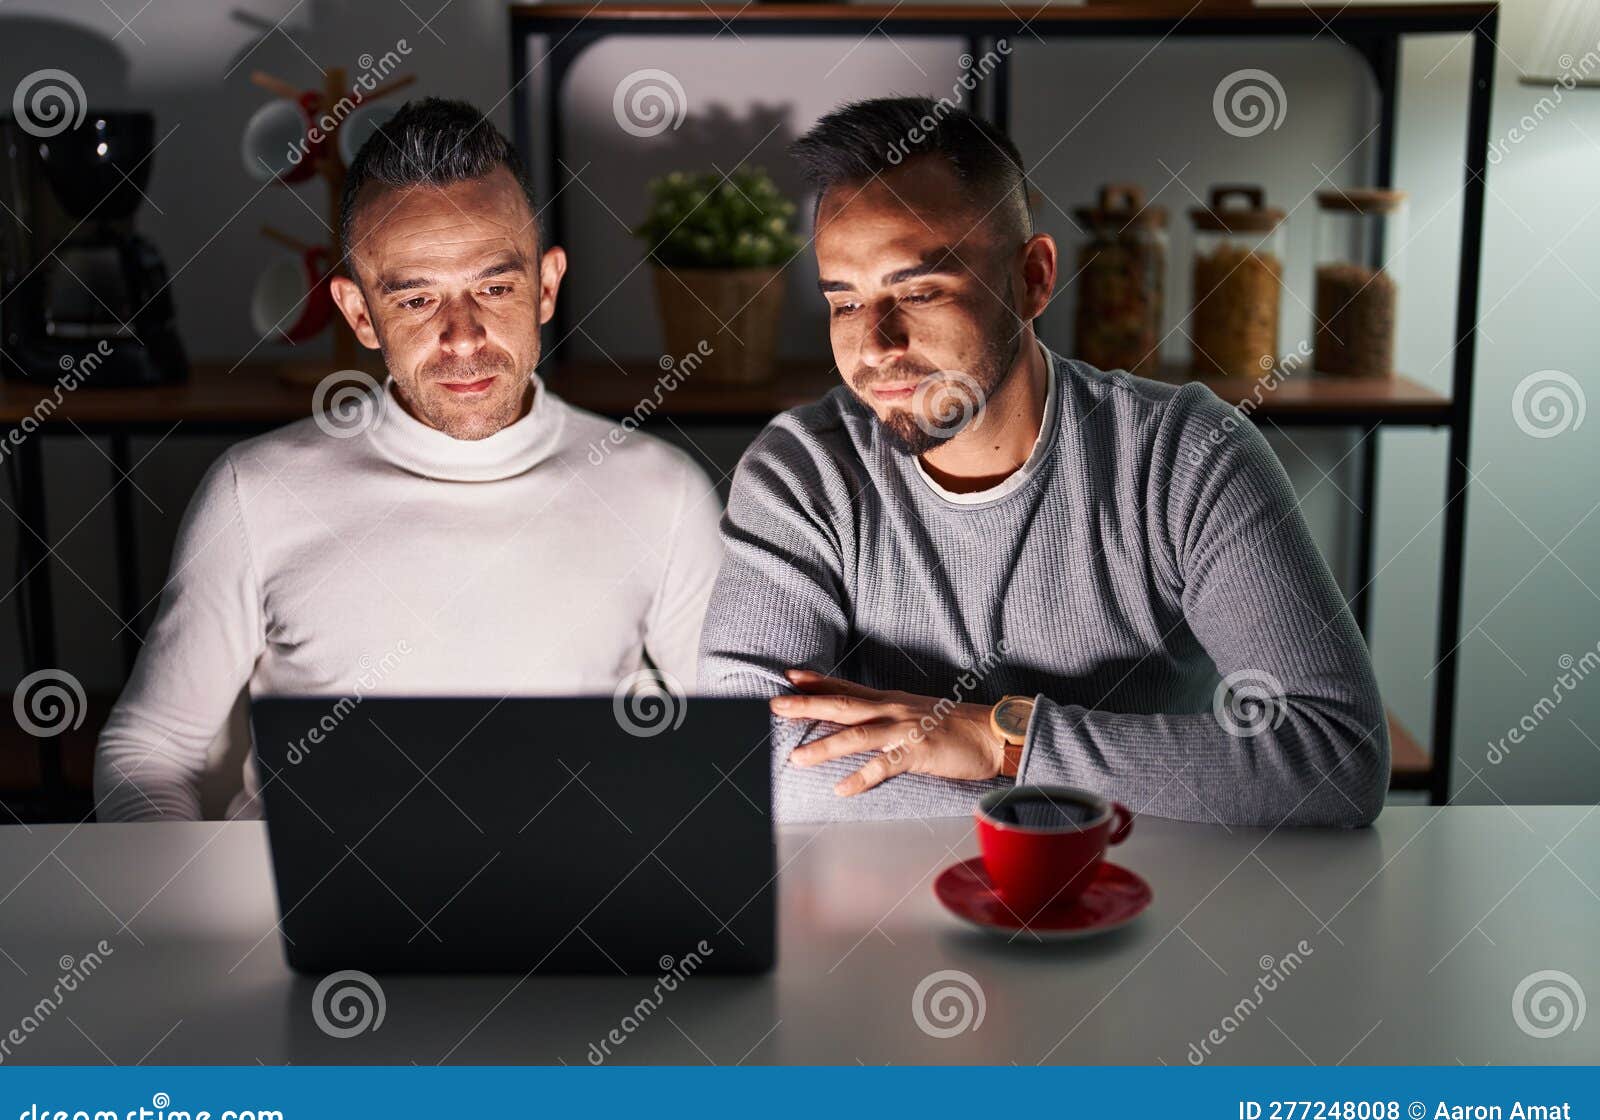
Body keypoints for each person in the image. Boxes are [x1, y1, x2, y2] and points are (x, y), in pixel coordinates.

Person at [698, 97, 1388, 827]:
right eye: (844, 303)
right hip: (891, 922)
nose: (875, 345)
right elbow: (746, 759)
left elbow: (1336, 760)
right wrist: (1117, 786)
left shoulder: (1188, 456)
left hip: (1151, 913)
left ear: (1032, 278)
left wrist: (1002, 739)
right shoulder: (802, 473)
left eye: (920, 291)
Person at [94, 98, 722, 821]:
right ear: (360, 314)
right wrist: (219, 921)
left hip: (567, 914)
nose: (463, 337)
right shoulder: (256, 491)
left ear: (546, 287)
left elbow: (737, 746)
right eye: (418, 299)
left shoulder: (660, 491)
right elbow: (147, 751)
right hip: (306, 922)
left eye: (494, 287)